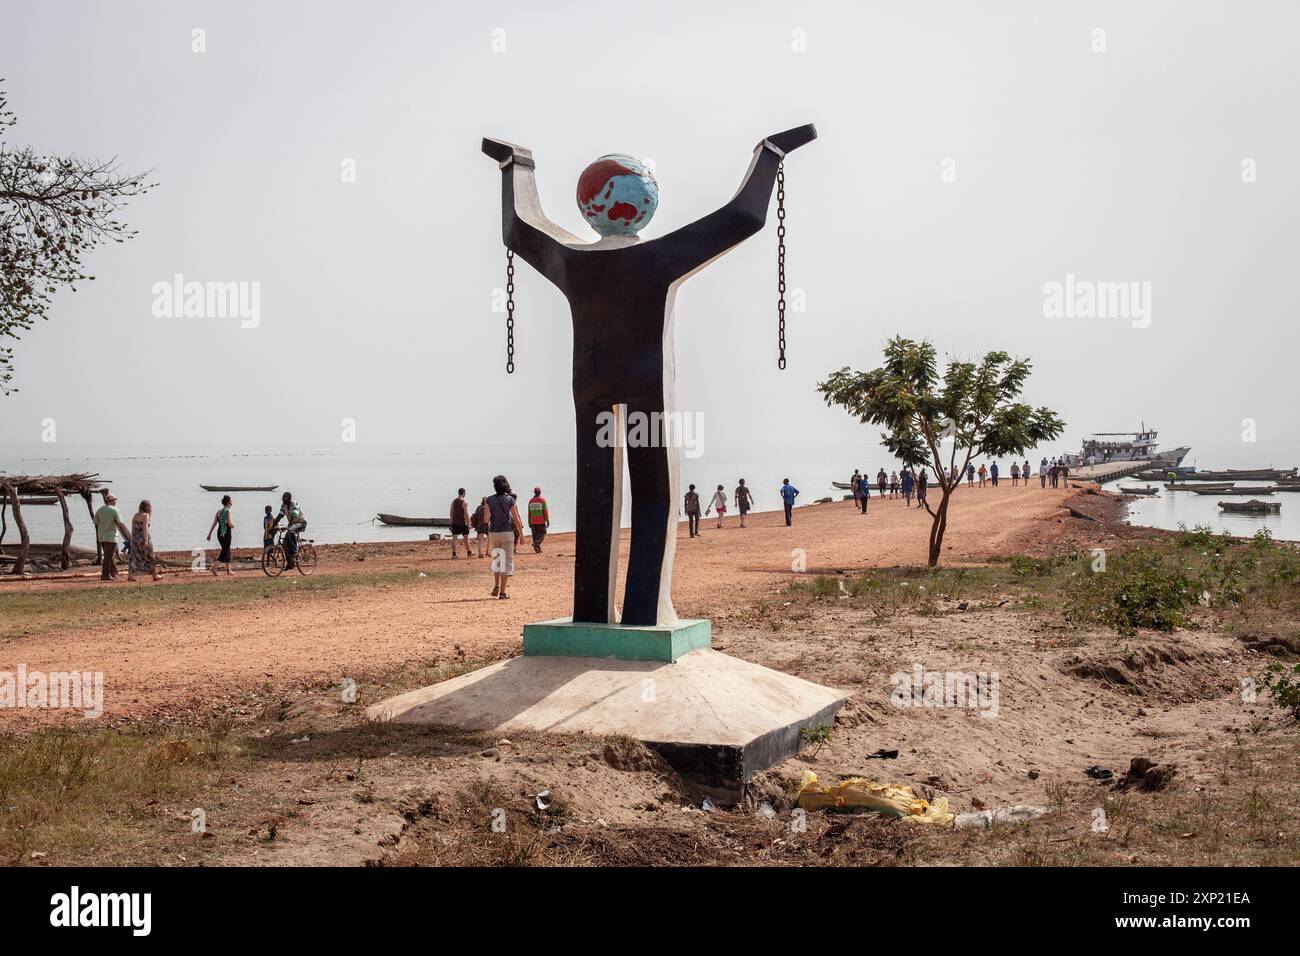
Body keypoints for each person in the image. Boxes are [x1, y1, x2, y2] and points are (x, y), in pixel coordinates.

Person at [485, 475, 523, 599]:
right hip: (506, 532)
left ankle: (496, 585)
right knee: (507, 562)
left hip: (494, 533)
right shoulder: (510, 500)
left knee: (497, 560)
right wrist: (521, 535)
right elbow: (516, 519)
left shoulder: (489, 500)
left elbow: (486, 519)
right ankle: (502, 592)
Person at [93, 493, 131, 581]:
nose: (115, 502)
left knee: (109, 555)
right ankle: (105, 575)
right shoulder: (115, 510)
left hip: (101, 536)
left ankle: (114, 572)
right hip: (111, 536)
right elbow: (121, 523)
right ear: (112, 501)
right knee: (108, 557)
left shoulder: (100, 510)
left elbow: (95, 522)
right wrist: (129, 536)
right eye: (115, 500)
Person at [267, 491, 307, 569]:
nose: (283, 499)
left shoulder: (294, 504)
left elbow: (294, 516)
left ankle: (295, 552)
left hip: (301, 523)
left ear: (289, 498)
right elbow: (279, 517)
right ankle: (290, 563)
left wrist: (289, 525)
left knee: (290, 532)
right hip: (293, 524)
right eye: (283, 497)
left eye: (284, 497)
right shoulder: (283, 506)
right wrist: (272, 527)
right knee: (284, 543)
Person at [128, 499, 162, 582]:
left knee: (134, 557)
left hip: (135, 540)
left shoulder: (135, 515)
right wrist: (146, 540)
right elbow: (145, 528)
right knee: (150, 556)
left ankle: (131, 575)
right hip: (143, 539)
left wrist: (132, 539)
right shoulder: (146, 515)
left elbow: (133, 529)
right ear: (148, 507)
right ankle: (155, 575)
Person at [206, 494, 234, 575]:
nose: (232, 503)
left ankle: (228, 570)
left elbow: (214, 524)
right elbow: (229, 524)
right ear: (228, 502)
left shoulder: (218, 512)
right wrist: (233, 525)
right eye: (231, 501)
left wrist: (209, 534)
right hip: (226, 534)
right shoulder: (228, 511)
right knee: (225, 551)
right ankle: (214, 568)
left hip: (219, 534)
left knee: (227, 550)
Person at [449, 488, 473, 558]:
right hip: (463, 523)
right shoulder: (464, 502)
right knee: (466, 538)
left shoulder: (453, 501)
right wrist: (468, 524)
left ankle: (454, 554)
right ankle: (469, 552)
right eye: (465, 493)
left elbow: (451, 512)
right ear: (463, 493)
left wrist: (451, 522)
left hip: (455, 523)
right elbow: (466, 514)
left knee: (454, 538)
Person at [527, 487, 550, 552]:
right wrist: (547, 520)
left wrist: (529, 522)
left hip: (533, 521)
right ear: (540, 492)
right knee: (542, 534)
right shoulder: (542, 500)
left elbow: (529, 512)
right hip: (540, 521)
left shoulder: (531, 501)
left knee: (535, 536)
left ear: (534, 492)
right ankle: (535, 544)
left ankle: (537, 549)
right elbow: (545, 511)